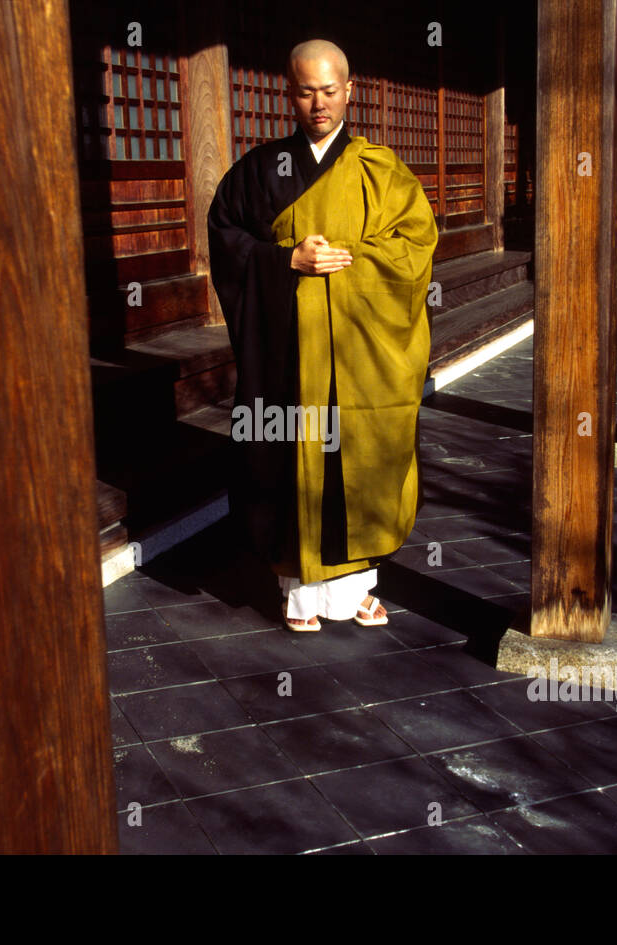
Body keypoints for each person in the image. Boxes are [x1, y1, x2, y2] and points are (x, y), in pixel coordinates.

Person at [207, 38, 437, 631]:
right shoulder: (260, 171)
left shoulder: (381, 171)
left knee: (362, 460)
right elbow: (228, 241)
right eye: (306, 91)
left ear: (349, 90)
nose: (319, 104)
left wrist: (349, 262)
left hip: (362, 356)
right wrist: (285, 260)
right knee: (294, 462)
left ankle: (359, 587)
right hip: (291, 354)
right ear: (289, 91)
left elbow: (414, 250)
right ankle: (299, 592)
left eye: (330, 91)